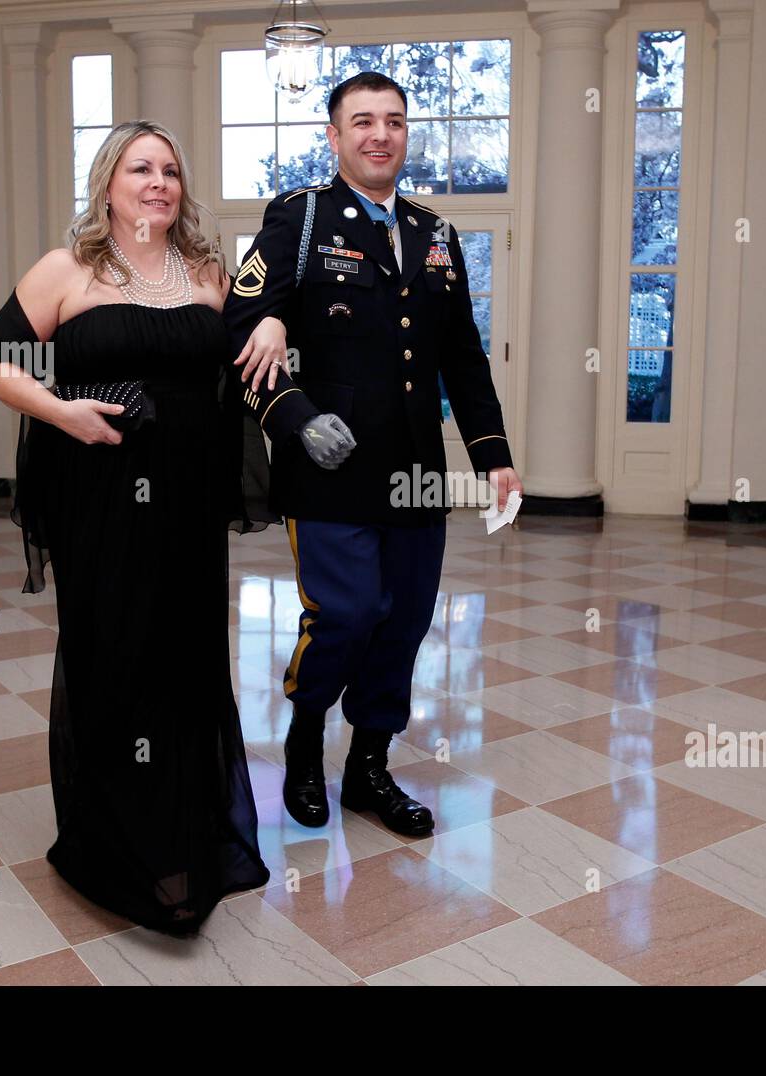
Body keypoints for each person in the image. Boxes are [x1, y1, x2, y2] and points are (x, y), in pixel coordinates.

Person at [0, 120, 347, 935]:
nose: (158, 183)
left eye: (170, 170)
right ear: (108, 182)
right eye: (141, 168)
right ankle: (115, 844)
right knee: (114, 652)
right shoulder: (66, 270)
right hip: (99, 492)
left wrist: (274, 326)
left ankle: (184, 830)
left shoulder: (209, 272)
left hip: (184, 498)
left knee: (182, 658)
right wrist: (65, 414)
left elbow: (259, 340)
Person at [225, 72, 523, 838]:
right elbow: (242, 330)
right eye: (362, 122)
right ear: (335, 136)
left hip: (419, 470)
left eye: (393, 121)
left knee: (405, 620)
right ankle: (301, 742)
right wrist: (292, 407)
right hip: (328, 469)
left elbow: (463, 354)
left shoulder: (435, 234)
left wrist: (493, 454)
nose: (379, 134)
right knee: (347, 613)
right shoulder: (300, 219)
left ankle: (368, 767)